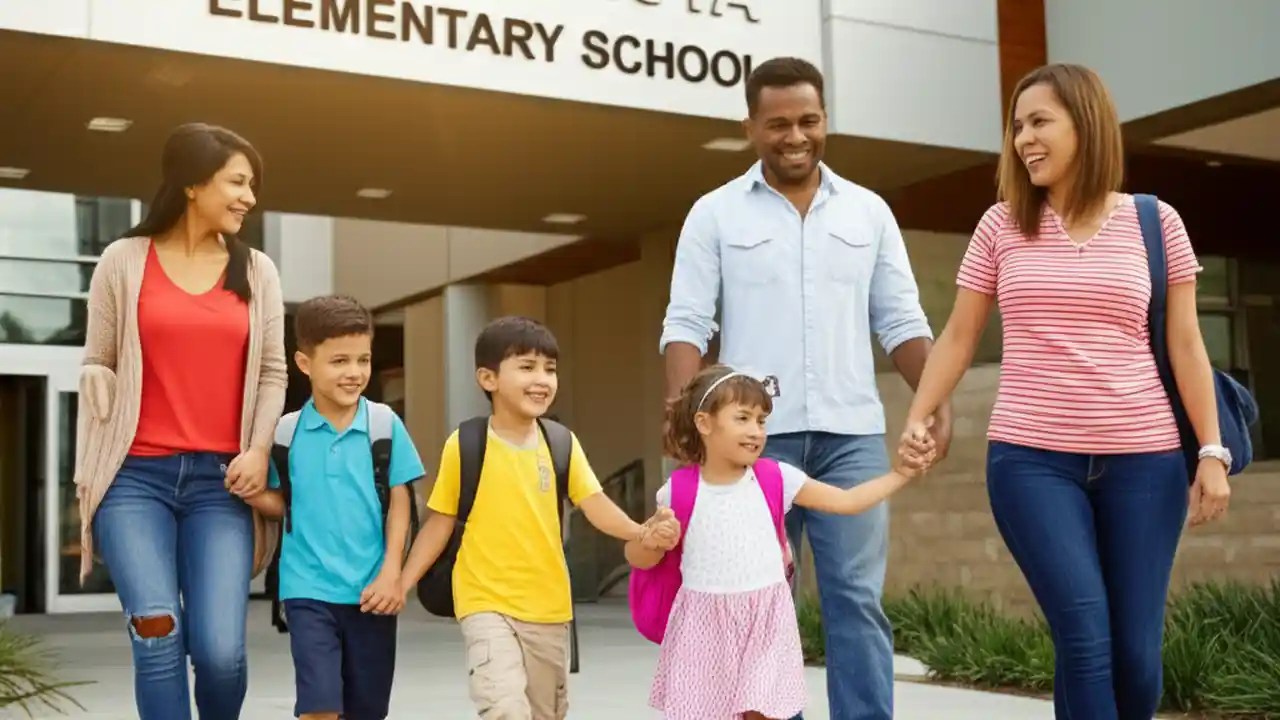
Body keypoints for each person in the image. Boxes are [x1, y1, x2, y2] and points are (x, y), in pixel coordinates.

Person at [898, 63, 1228, 720]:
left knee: (1134, 655)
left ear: (1086, 122)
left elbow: (1187, 344)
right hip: (1032, 460)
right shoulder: (1000, 226)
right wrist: (919, 413)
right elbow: (960, 335)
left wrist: (1213, 451)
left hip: (1146, 461)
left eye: (1040, 121)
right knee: (1084, 637)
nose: (1024, 139)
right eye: (1017, 127)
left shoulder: (1155, 223)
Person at [659, 56, 948, 720]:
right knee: (758, 600)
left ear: (826, 119)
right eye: (778, 124)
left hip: (853, 437)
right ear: (751, 127)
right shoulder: (714, 215)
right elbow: (687, 321)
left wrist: (934, 401)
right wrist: (684, 414)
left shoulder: (869, 212)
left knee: (856, 599)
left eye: (809, 120)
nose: (796, 136)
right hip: (750, 446)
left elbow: (900, 318)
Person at [74, 122, 287, 720]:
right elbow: (99, 355)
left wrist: (259, 450)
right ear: (194, 184)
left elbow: (273, 372)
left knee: (220, 653)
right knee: (158, 635)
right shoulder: (123, 260)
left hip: (221, 484)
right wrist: (94, 374)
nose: (249, 197)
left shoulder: (257, 271)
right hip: (133, 480)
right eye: (238, 182)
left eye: (253, 185)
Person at [399, 316, 677, 720]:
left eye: (550, 369)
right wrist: (402, 583)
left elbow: (594, 503)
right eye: (526, 367)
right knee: (505, 707)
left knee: (545, 713)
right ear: (488, 378)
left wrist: (641, 531)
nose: (542, 379)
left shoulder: (560, 443)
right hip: (484, 601)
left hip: (548, 608)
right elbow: (440, 521)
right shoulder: (467, 443)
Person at [632, 365, 930, 720]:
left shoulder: (776, 478)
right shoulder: (679, 491)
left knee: (764, 711)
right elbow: (639, 556)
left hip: (766, 621)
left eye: (761, 421)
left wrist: (900, 474)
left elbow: (846, 502)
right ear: (704, 423)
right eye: (742, 418)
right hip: (704, 628)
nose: (755, 431)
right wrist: (652, 540)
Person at [243, 295, 421, 720]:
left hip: (371, 593)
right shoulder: (284, 433)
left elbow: (400, 503)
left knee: (366, 709)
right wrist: (251, 494)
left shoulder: (384, 425)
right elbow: (283, 503)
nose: (354, 372)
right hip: (307, 590)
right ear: (305, 363)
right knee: (319, 704)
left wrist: (392, 572)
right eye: (339, 361)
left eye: (363, 360)